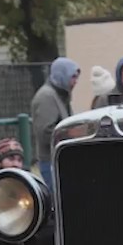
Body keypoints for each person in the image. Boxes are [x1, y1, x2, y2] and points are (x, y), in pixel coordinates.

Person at [31, 58, 79, 186]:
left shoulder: (61, 96)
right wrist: (71, 134)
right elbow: (45, 132)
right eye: (72, 77)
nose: (75, 82)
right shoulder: (46, 97)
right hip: (51, 161)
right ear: (62, 75)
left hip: (60, 159)